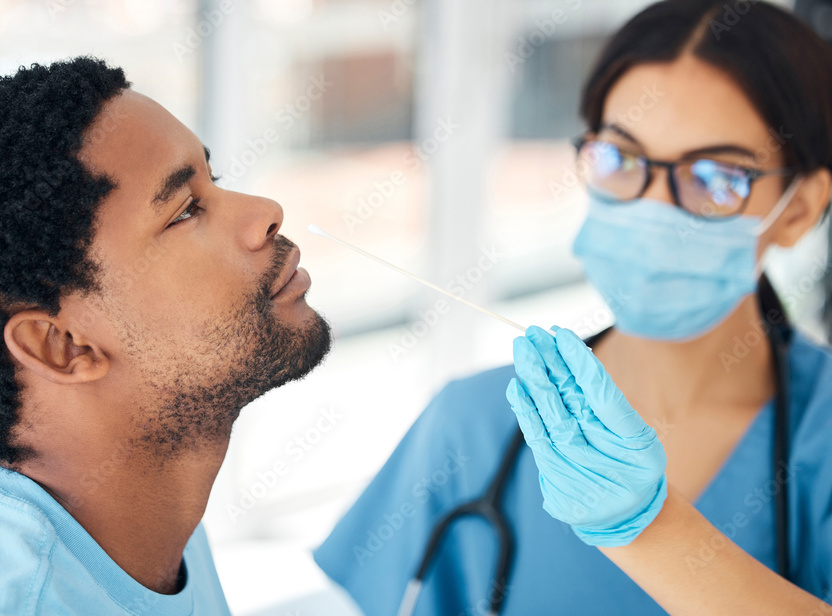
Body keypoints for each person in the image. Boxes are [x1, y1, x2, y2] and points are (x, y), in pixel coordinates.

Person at [313, 1, 832, 614]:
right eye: (622, 157)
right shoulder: (473, 425)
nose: (652, 210)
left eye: (715, 176)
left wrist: (650, 527)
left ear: (798, 210)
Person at [0, 56, 332, 614]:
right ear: (61, 346)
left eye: (213, 179)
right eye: (183, 211)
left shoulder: (151, 512)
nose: (265, 212)